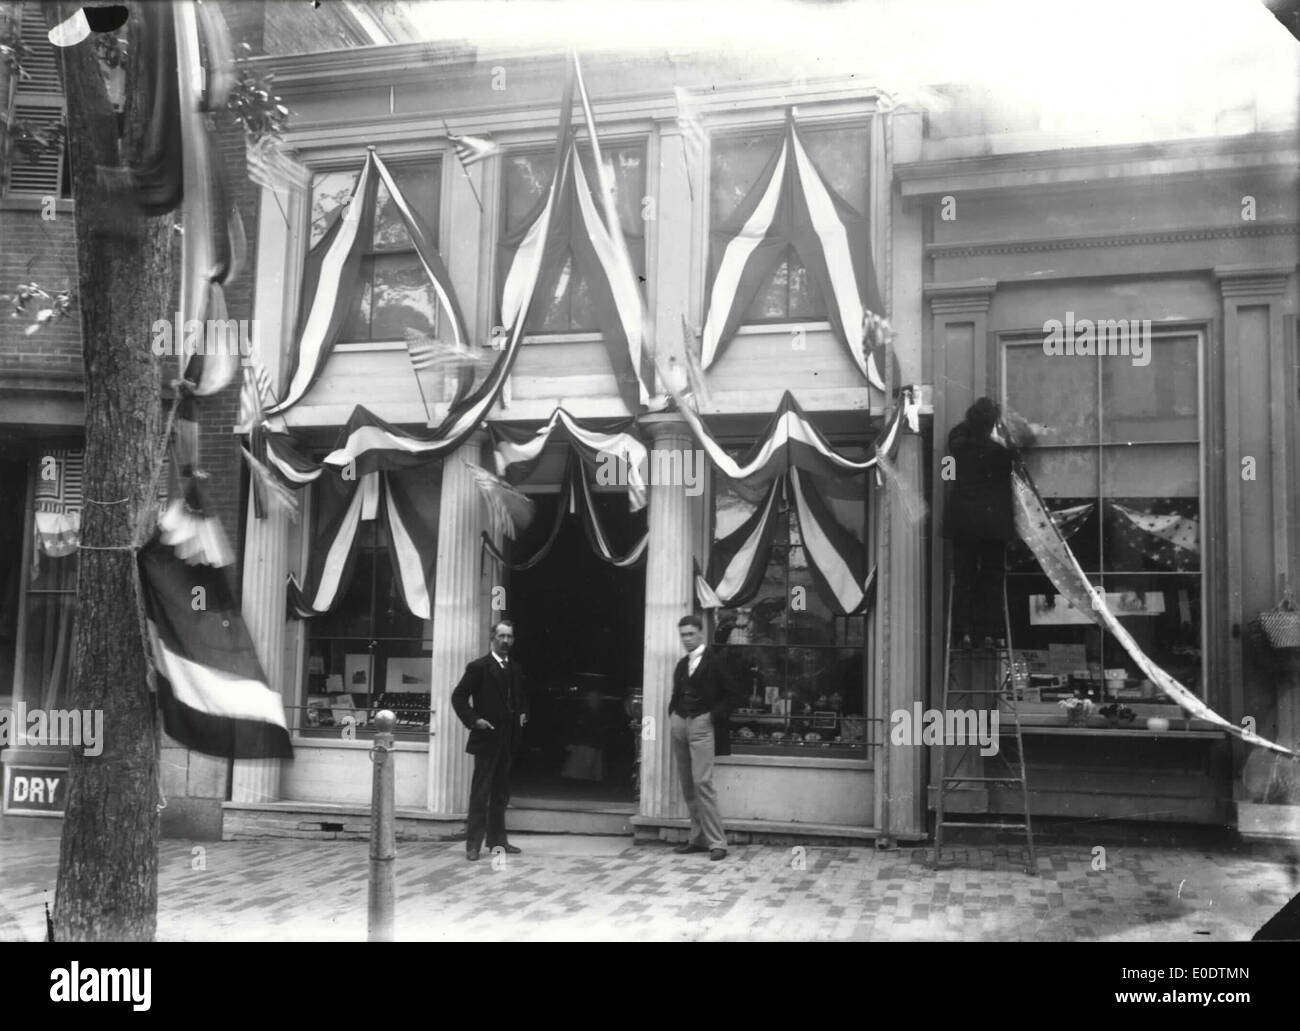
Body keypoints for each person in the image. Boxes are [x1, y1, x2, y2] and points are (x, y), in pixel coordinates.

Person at [942, 397, 1033, 647]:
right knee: (992, 579)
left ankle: (963, 633)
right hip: (993, 526)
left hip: (962, 524)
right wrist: (1007, 420)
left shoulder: (958, 448)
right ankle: (992, 632)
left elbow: (956, 437)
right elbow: (1027, 440)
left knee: (964, 579)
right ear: (992, 423)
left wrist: (977, 422)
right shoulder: (1003, 454)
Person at [451, 619, 529, 861]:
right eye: (501, 636)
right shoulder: (479, 667)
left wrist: (523, 713)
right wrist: (475, 721)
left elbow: (520, 698)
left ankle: (498, 840)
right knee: (481, 792)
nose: (505, 641)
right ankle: (473, 844)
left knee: (501, 792)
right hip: (486, 739)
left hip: (507, 739)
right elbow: (458, 697)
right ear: (492, 638)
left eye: (509, 637)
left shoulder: (514, 669)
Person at [669, 613, 741, 861]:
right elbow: (677, 693)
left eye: (690, 634)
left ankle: (717, 842)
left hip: (702, 724)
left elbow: (734, 695)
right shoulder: (681, 664)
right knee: (688, 785)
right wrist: (673, 716)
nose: (687, 639)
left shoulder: (716, 662)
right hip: (680, 723)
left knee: (703, 783)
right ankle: (697, 838)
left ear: (700, 633)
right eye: (683, 635)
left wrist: (711, 717)